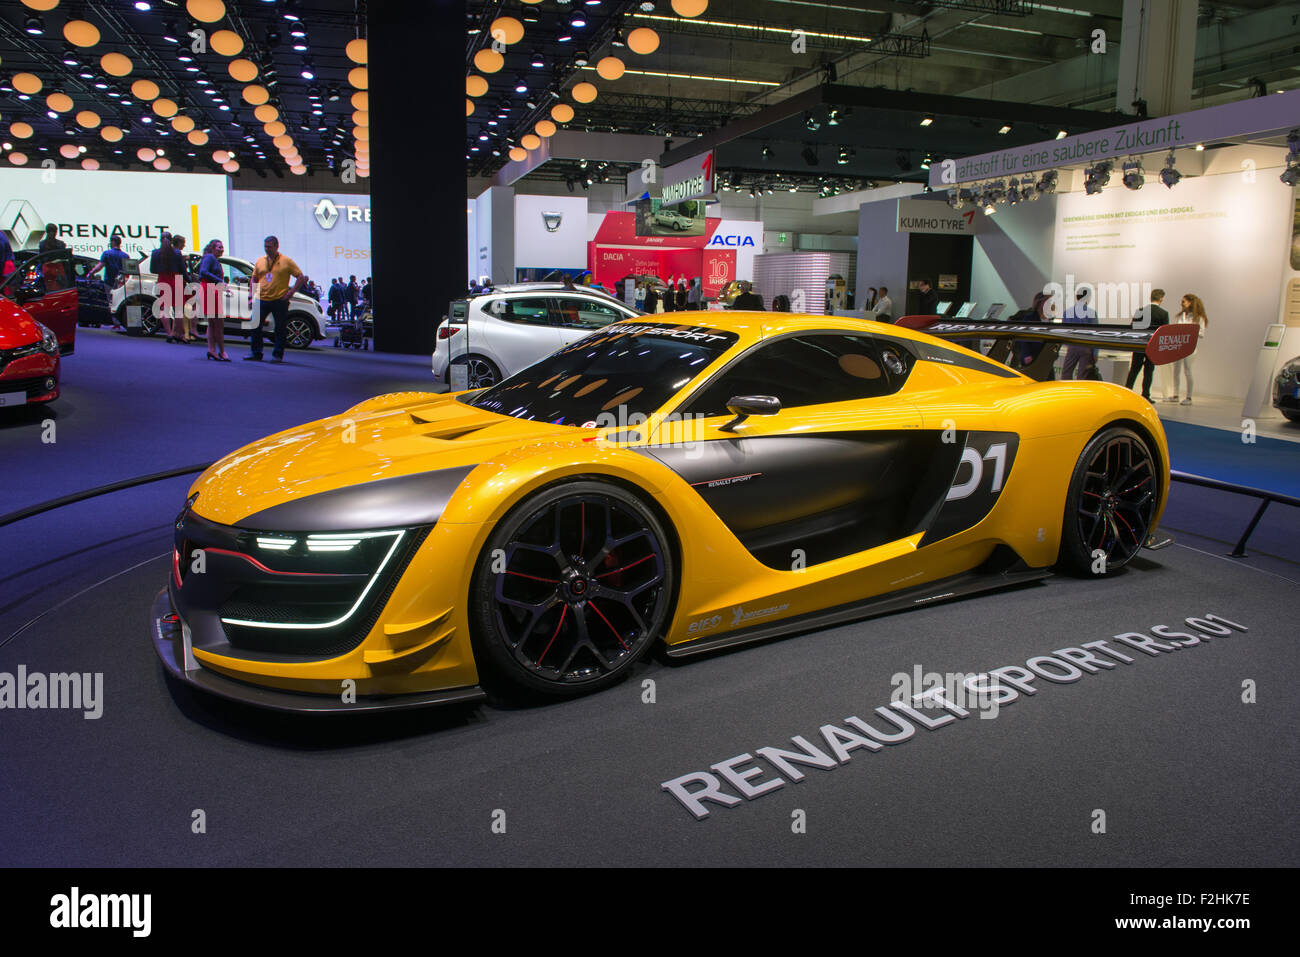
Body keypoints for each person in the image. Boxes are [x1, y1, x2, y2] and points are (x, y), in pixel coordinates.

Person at [246, 235, 307, 363]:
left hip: (279, 300)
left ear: (276, 246)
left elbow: (301, 277)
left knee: (280, 328)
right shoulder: (260, 261)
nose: (267, 249)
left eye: (269, 247)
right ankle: (256, 353)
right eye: (265, 247)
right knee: (255, 325)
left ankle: (277, 355)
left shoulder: (287, 261)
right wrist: (251, 296)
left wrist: (290, 293)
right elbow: (254, 278)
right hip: (262, 299)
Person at [1124, 288, 1170, 401]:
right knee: (1149, 371)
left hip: (1139, 344)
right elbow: (1164, 332)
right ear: (1161, 299)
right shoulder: (1163, 313)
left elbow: (1132, 327)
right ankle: (1145, 395)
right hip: (1152, 346)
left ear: (1151, 297)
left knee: (1134, 369)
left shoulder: (1140, 311)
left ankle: (1127, 391)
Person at [1170, 293, 1208, 405]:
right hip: (1178, 347)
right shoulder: (1181, 316)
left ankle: (1189, 397)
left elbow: (1201, 334)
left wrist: (1189, 332)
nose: (1181, 304)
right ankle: (1175, 395)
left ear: (1190, 303)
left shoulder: (1199, 318)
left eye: (1183, 301)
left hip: (1190, 348)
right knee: (1176, 371)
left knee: (1188, 371)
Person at [149, 231, 185, 342]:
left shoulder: (155, 253)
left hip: (162, 279)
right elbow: (182, 270)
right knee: (178, 309)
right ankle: (177, 334)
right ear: (171, 240)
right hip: (176, 279)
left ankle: (169, 333)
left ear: (160, 239)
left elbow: (152, 270)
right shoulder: (177, 252)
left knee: (164, 308)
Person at [198, 239, 229, 361]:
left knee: (212, 323)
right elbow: (203, 272)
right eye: (219, 247)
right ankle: (221, 352)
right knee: (218, 324)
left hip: (211, 290)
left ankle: (212, 350)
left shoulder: (211, 258)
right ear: (212, 248)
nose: (222, 249)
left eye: (222, 247)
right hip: (210, 290)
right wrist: (220, 281)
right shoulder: (210, 258)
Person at [1060, 288, 1098, 379]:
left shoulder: (1068, 312)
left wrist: (1068, 344)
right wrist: (1095, 352)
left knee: (1066, 373)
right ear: (1087, 298)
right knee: (1082, 376)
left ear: (1076, 297)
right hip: (1086, 347)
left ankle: (1066, 391)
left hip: (1072, 346)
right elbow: (1095, 333)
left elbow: (1063, 331)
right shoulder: (1091, 313)